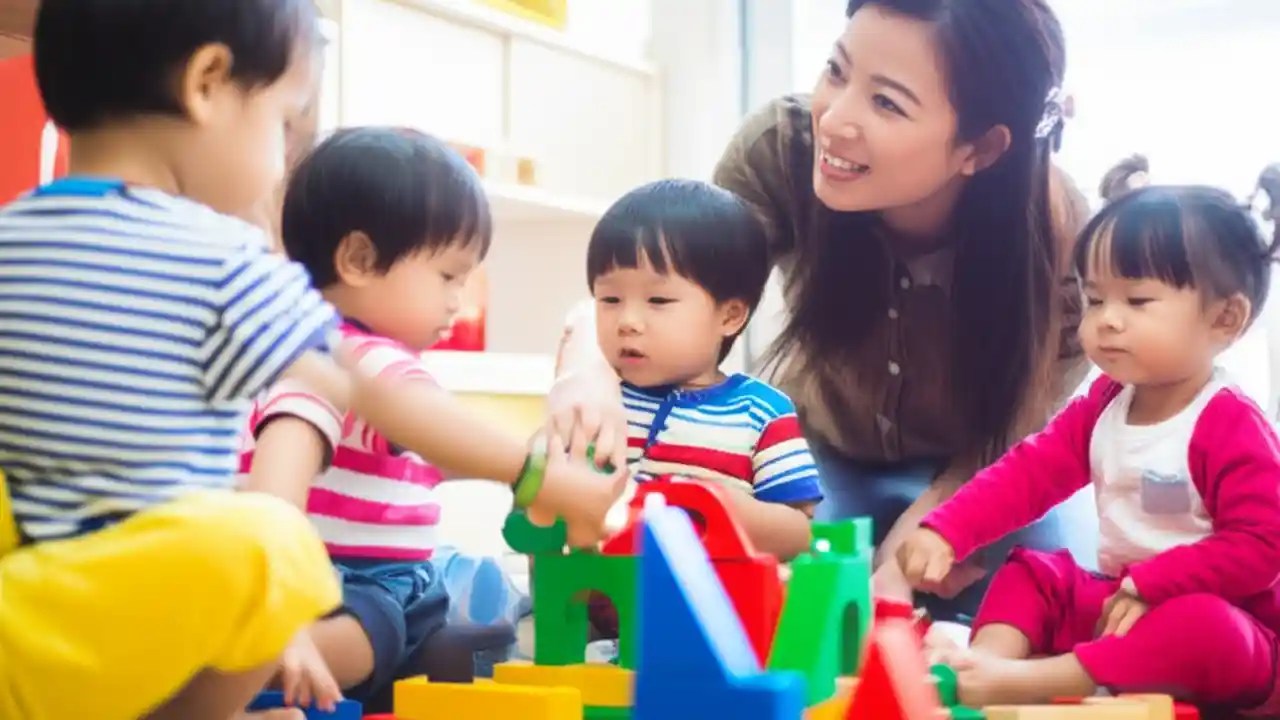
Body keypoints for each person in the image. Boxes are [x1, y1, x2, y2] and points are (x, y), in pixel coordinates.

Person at [0, 2, 622, 718]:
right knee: (277, 541)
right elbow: (367, 389)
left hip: (29, 617)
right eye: (282, 125)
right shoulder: (219, 258)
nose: (279, 164)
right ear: (207, 85)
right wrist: (534, 473)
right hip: (159, 616)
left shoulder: (13, 238)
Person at [549, 0, 1091, 622]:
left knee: (1043, 608)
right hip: (817, 452)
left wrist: (924, 536)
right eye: (836, 70)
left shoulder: (1061, 245)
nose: (834, 118)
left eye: (886, 102)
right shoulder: (781, 150)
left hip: (980, 467)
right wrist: (584, 371)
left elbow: (1016, 436)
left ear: (982, 146)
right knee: (710, 597)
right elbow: (666, 284)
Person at [898, 185, 1280, 712]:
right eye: (1095, 299)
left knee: (1204, 628)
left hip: (1228, 624)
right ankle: (984, 667)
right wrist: (949, 528)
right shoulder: (1106, 402)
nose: (1106, 320)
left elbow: (1262, 547)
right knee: (1034, 572)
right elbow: (1030, 472)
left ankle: (1029, 681)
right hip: (1120, 601)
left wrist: (1156, 583)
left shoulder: (1229, 423)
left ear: (1224, 320)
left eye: (1137, 301)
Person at [240, 127, 515, 705]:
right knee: (393, 623)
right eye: (448, 276)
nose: (457, 302)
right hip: (341, 583)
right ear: (360, 260)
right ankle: (252, 667)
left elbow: (420, 460)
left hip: (363, 576)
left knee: (445, 587)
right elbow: (276, 479)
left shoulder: (312, 346)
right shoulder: (354, 360)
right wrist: (276, 612)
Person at [588, 179, 824, 558]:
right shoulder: (598, 395)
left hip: (717, 607)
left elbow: (799, 532)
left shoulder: (762, 413)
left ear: (730, 316)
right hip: (595, 600)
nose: (627, 321)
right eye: (610, 298)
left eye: (658, 299)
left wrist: (719, 507)